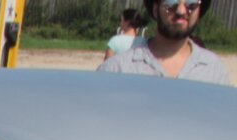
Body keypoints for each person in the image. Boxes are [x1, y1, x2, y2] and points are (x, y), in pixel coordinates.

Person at [98, 0, 229, 82]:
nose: (181, 11)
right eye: (171, 3)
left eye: (191, 4)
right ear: (156, 9)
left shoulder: (214, 71)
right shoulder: (118, 69)